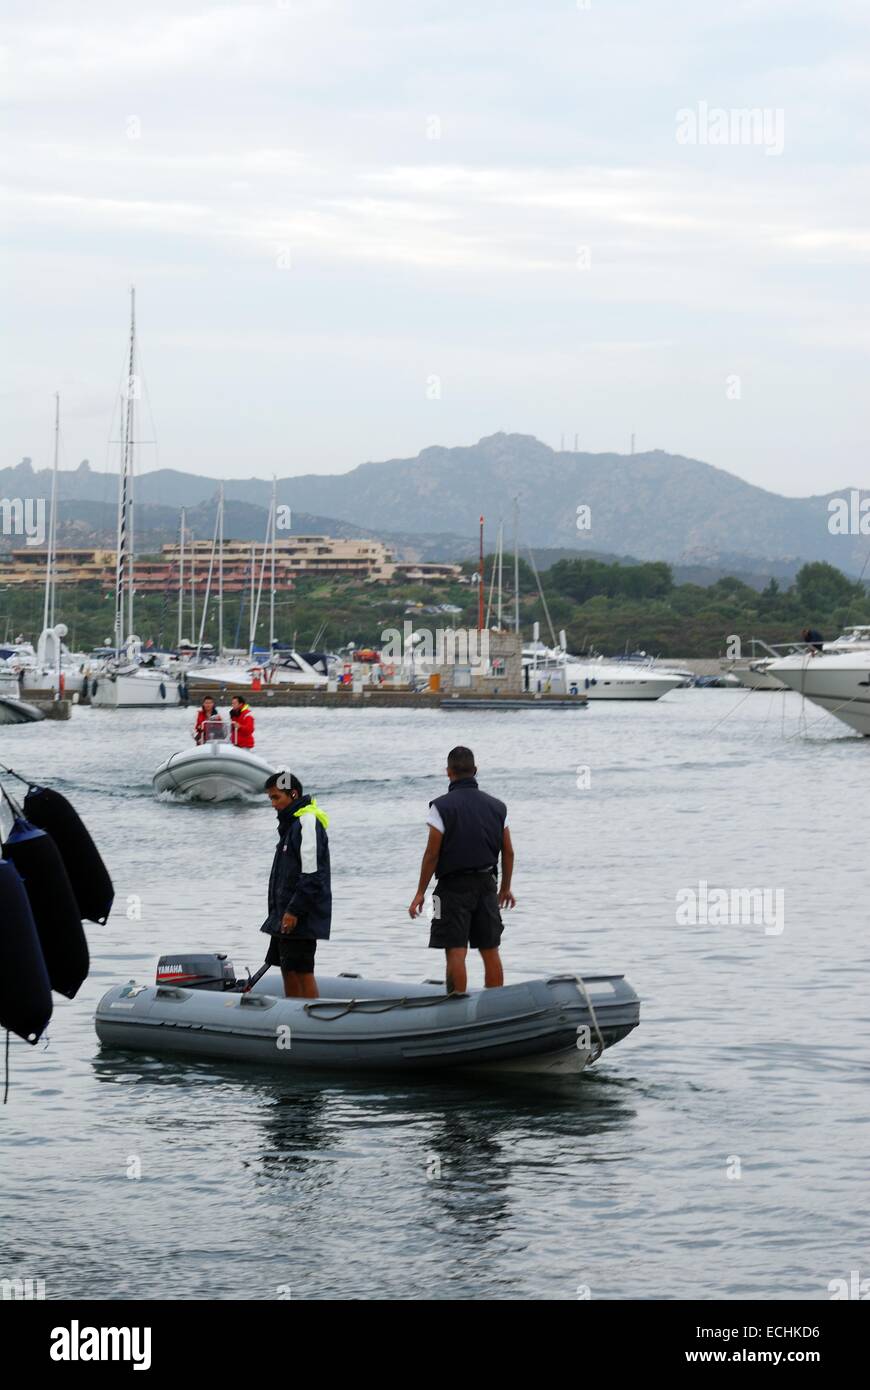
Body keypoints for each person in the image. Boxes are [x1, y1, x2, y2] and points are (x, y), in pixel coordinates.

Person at [408, 745, 515, 995]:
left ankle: (456, 1003)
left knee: (455, 949)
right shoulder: (498, 807)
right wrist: (505, 888)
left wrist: (420, 892)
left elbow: (432, 853)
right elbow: (508, 851)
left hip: (450, 888)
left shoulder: (441, 807)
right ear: (475, 770)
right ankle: (496, 1004)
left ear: (448, 772)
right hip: (487, 884)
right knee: (490, 948)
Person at [261, 771, 331, 999]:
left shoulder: (307, 822)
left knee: (302, 971)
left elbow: (312, 875)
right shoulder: (290, 824)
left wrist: (294, 910)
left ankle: (309, 1015)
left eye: (276, 797)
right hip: (284, 914)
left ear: (293, 794)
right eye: (270, 798)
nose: (273, 804)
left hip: (300, 914)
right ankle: (292, 1011)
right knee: (287, 969)